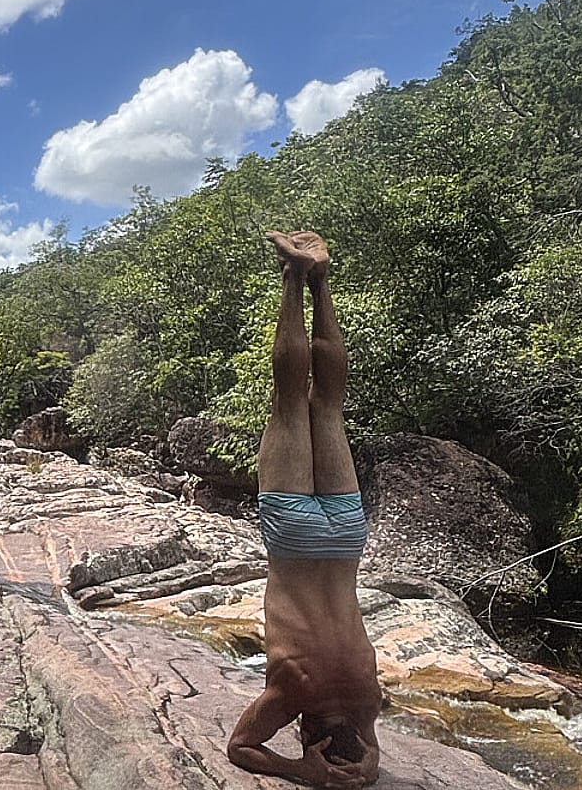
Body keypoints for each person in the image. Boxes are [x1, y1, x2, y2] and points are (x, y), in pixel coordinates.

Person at [226, 232, 381, 789]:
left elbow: (370, 754)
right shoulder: (295, 692)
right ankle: (294, 277)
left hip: (345, 537)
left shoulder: (369, 698)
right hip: (294, 538)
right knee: (292, 404)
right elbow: (242, 748)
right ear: (306, 730)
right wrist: (304, 772)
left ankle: (319, 279)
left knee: (329, 409)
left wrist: (353, 768)